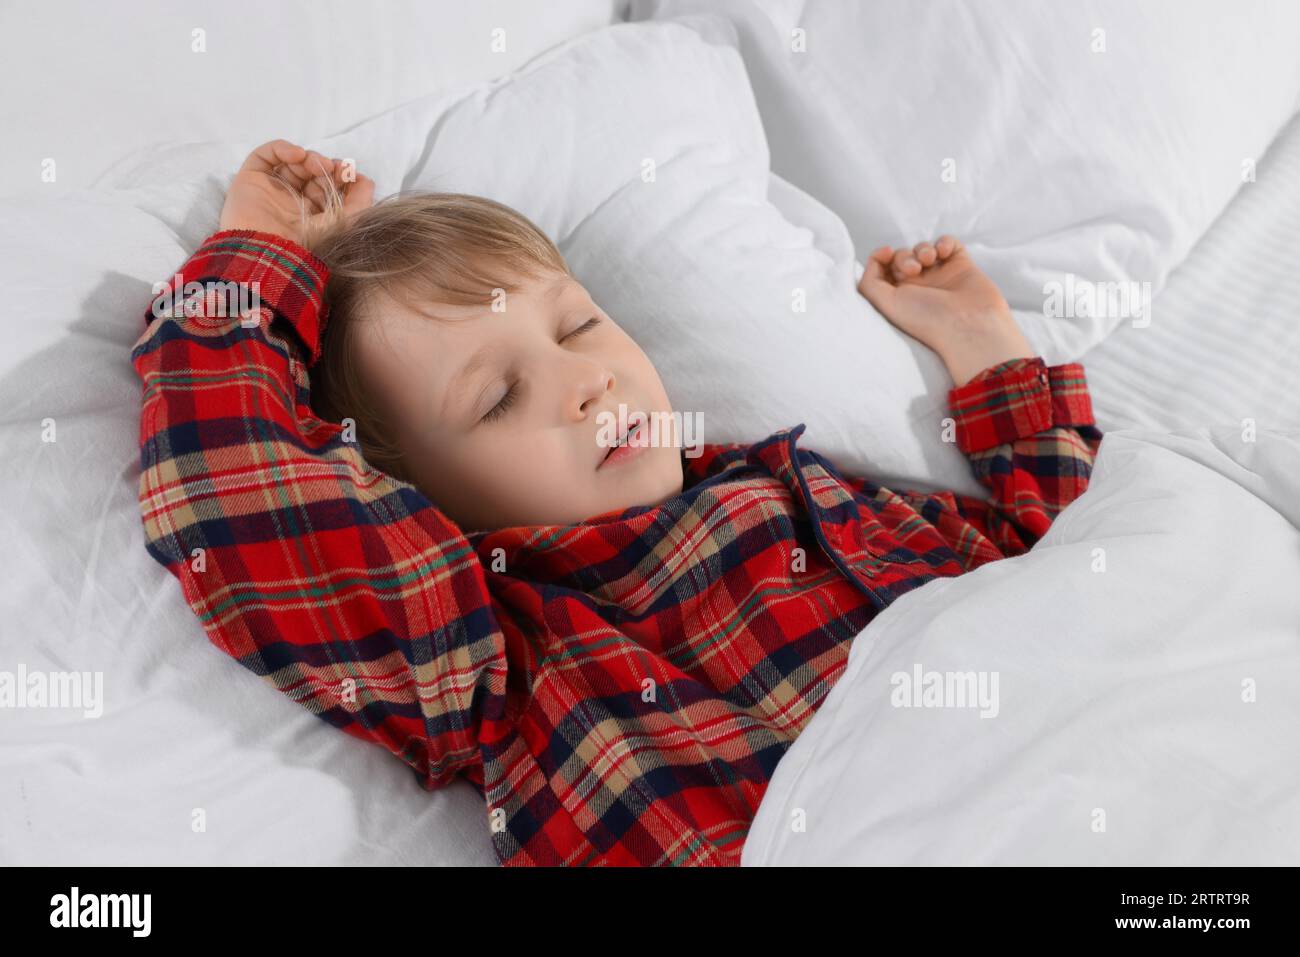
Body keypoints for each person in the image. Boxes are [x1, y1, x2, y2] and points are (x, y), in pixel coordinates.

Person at [131, 140, 1102, 865]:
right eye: (499, 397)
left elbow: (1066, 570)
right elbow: (233, 482)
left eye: (579, 326)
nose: (583, 382)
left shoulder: (801, 492)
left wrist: (983, 344)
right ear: (414, 501)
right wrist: (257, 252)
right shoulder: (494, 653)